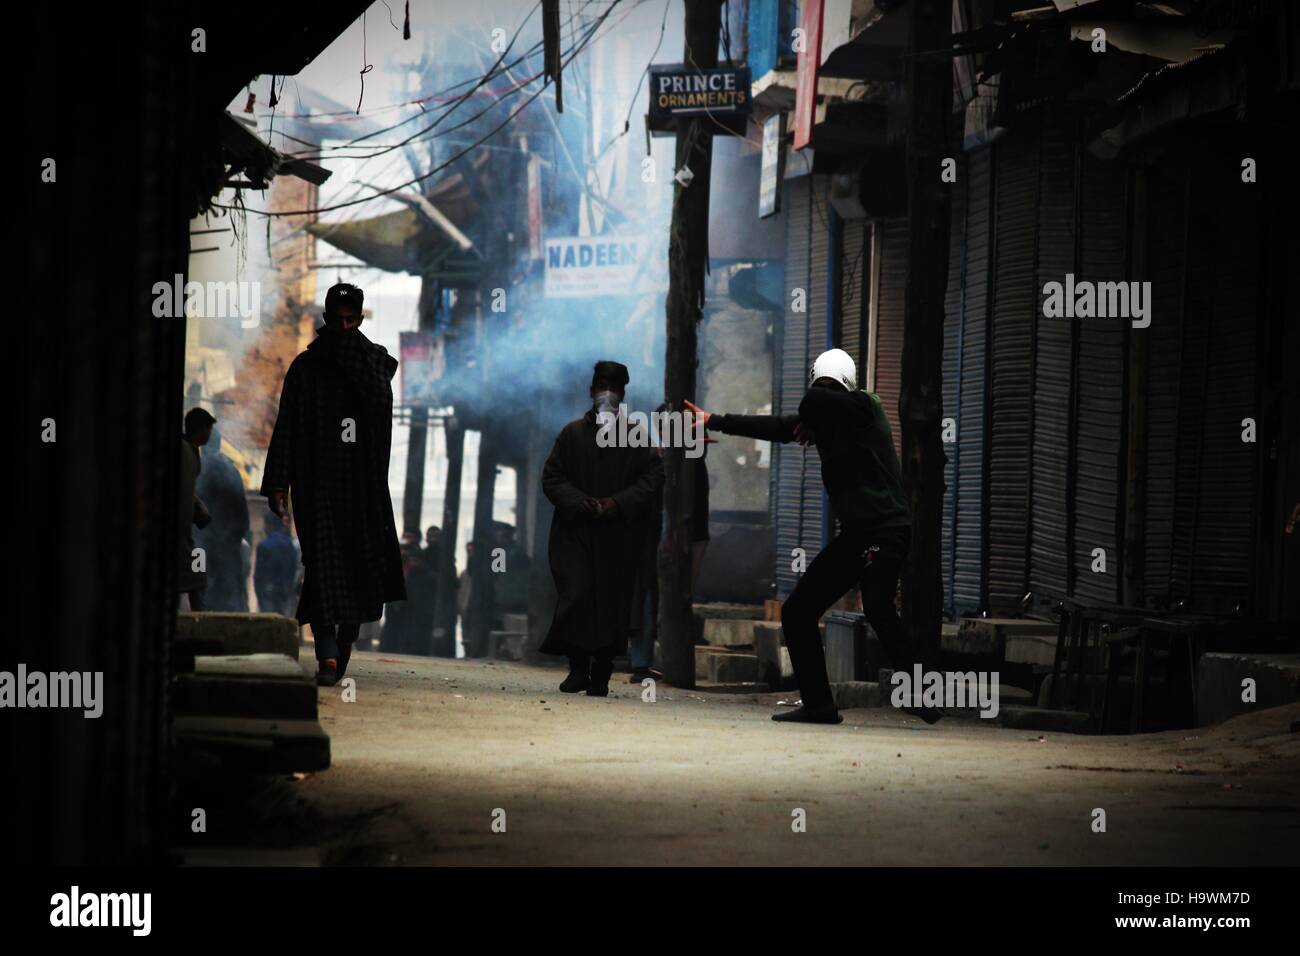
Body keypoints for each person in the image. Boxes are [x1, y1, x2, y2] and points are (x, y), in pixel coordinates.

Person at [687, 348, 940, 725]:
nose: (821, 394)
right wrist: (713, 420)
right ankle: (820, 704)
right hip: (858, 535)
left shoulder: (865, 406)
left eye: (826, 386)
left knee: (877, 605)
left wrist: (811, 414)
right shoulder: (823, 420)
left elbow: (817, 402)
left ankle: (921, 694)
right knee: (798, 611)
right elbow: (774, 427)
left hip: (886, 529)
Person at [261, 282, 405, 686]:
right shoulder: (306, 368)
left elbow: (380, 414)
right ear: (327, 319)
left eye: (351, 320)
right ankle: (325, 652)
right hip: (317, 482)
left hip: (362, 483)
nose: (344, 326)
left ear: (359, 319)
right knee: (322, 564)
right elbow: (286, 424)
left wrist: (352, 364)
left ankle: (345, 639)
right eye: (337, 320)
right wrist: (278, 483)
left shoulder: (374, 365)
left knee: (361, 564)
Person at [539, 360, 664, 696]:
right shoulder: (571, 434)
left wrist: (617, 503)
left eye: (614, 387)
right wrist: (578, 501)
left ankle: (601, 674)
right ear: (591, 391)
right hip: (575, 535)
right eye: (601, 386)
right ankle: (578, 669)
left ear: (622, 394)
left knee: (611, 603)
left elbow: (652, 478)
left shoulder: (637, 437)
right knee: (576, 596)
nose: (606, 393)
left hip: (617, 538)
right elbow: (552, 478)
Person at [195, 425, 251, 611]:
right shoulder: (233, 472)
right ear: (219, 445)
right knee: (229, 600)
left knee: (198, 593)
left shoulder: (197, 469)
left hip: (200, 549)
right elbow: (243, 520)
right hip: (228, 550)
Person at [178, 408, 214, 610]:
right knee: (198, 578)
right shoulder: (186, 452)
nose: (210, 433)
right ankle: (199, 624)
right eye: (209, 428)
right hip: (181, 540)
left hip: (186, 539)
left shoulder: (190, 451)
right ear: (202, 429)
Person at [255, 509, 301, 616]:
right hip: (285, 592)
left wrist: (259, 594)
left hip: (267, 592)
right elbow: (293, 570)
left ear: (270, 525)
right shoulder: (291, 546)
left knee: (267, 622)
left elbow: (259, 575)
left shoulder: (264, 545)